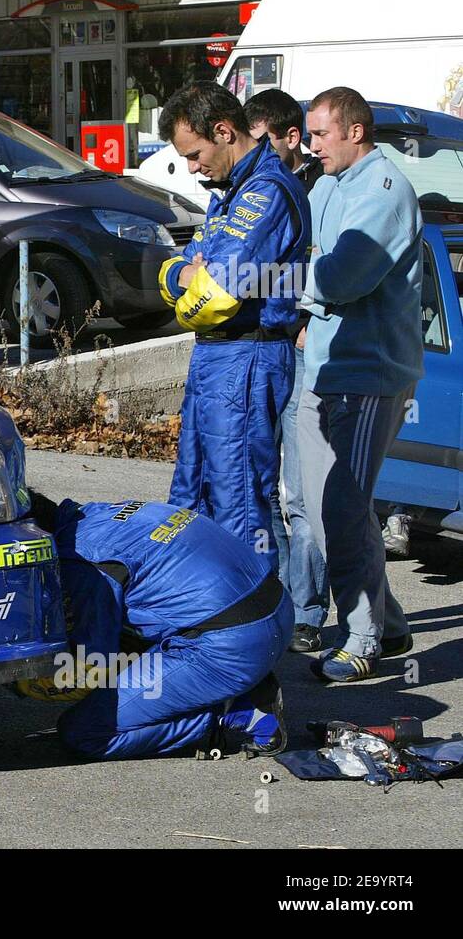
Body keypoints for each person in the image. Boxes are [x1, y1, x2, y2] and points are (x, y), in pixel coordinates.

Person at [157, 82, 312, 573]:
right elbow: (177, 271)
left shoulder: (265, 191)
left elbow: (216, 298)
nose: (192, 167)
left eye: (195, 153)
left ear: (224, 131)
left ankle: (253, 629)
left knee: (239, 501)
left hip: (249, 354)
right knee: (192, 490)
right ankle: (203, 614)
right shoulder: (227, 193)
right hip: (216, 359)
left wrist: (187, 284)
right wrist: (183, 275)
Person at [298, 86, 421, 682]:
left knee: (343, 509)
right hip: (322, 369)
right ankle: (389, 623)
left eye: (320, 134)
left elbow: (342, 275)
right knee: (320, 513)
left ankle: (364, 637)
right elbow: (310, 257)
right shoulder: (328, 185)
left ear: (354, 131)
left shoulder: (385, 190)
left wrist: (289, 281)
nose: (310, 144)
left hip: (369, 377)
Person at [18, 494, 290, 761]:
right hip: (277, 609)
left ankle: (236, 711)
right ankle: (230, 682)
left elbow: (94, 660)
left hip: (229, 648)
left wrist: (20, 678)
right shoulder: (101, 512)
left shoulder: (85, 563)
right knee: (129, 621)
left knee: (84, 732)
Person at [243, 88, 330, 653]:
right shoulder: (250, 188)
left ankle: (309, 610)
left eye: (262, 142)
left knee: (302, 494)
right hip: (263, 350)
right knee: (261, 490)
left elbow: (323, 269)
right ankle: (278, 597)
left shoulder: (318, 192)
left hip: (303, 349)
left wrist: (300, 315)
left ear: (288, 138)